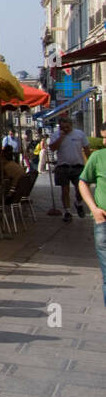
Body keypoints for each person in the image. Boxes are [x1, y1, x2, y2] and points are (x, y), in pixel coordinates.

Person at [76, 125, 106, 305]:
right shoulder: (98, 157)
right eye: (103, 137)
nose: (103, 142)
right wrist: (93, 209)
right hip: (104, 222)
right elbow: (83, 182)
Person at [50, 117, 89, 222]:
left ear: (71, 125)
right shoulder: (56, 135)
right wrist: (61, 138)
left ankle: (78, 203)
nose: (66, 129)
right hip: (63, 166)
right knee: (65, 190)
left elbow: (86, 148)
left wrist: (89, 163)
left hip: (78, 166)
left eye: (67, 127)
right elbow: (52, 148)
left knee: (80, 188)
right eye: (63, 127)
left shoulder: (79, 134)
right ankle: (67, 211)